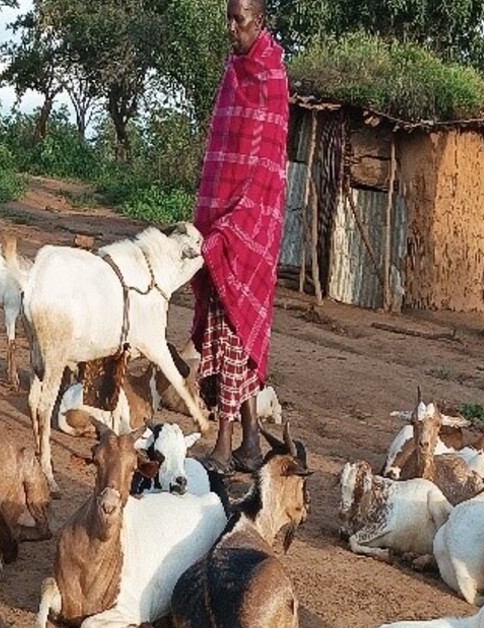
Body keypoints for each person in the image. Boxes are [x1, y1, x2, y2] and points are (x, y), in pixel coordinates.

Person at [191, 0, 289, 475]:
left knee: (233, 335)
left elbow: (263, 173)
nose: (232, 28)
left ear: (260, 21)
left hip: (251, 233)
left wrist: (233, 230)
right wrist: (213, 224)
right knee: (233, 336)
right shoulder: (233, 74)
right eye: (228, 19)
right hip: (222, 226)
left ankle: (225, 446)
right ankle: (251, 442)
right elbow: (223, 157)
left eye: (240, 20)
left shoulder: (272, 77)